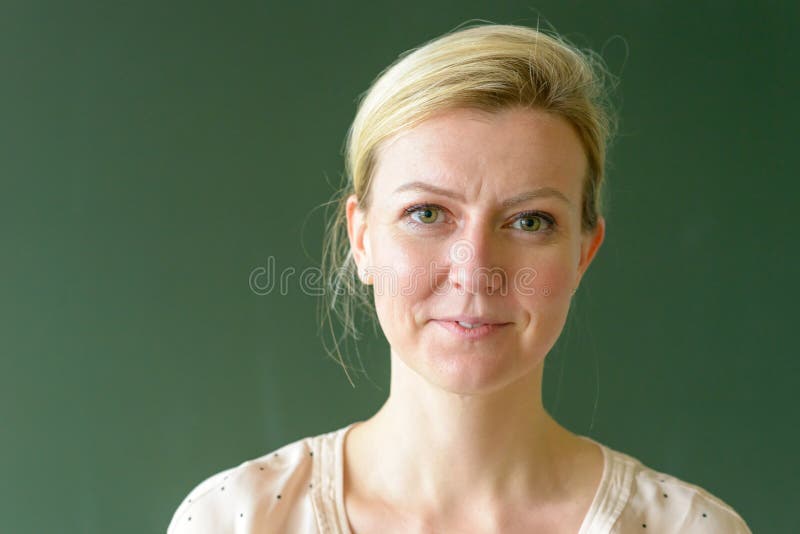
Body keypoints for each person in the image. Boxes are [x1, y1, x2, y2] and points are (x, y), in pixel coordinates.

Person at [167, 23, 752, 533]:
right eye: (426, 214)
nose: (475, 272)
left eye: (529, 220)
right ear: (363, 239)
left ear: (583, 253)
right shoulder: (234, 520)